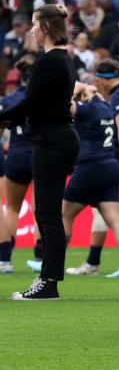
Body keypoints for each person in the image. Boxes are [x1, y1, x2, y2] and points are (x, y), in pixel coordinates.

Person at [1, 5, 78, 300]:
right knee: (45, 212)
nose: (31, 29)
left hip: (52, 140)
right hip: (56, 138)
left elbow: (27, 105)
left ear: (45, 27)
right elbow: (31, 109)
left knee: (47, 213)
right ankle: (47, 278)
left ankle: (49, 281)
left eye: (34, 24)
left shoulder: (48, 62)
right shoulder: (62, 59)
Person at [62, 80, 119, 279]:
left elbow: (63, 105)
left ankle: (52, 260)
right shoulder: (105, 107)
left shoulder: (86, 109)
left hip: (89, 166)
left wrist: (75, 89)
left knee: (64, 215)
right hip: (111, 166)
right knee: (114, 218)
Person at [0, 57, 36, 273]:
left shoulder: (9, 100)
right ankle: (40, 258)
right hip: (39, 153)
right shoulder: (41, 99)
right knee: (39, 208)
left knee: (11, 208)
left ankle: (5, 260)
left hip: (16, 154)